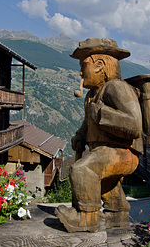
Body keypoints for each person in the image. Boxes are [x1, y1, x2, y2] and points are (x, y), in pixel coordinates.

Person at [55, 38, 143, 233]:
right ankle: (117, 213)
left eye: (84, 65)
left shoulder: (116, 88)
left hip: (122, 152)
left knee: (82, 170)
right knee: (105, 184)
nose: (80, 72)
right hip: (105, 151)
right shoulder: (92, 95)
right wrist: (80, 135)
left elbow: (135, 124)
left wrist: (102, 114)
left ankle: (86, 218)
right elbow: (88, 122)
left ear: (100, 66)